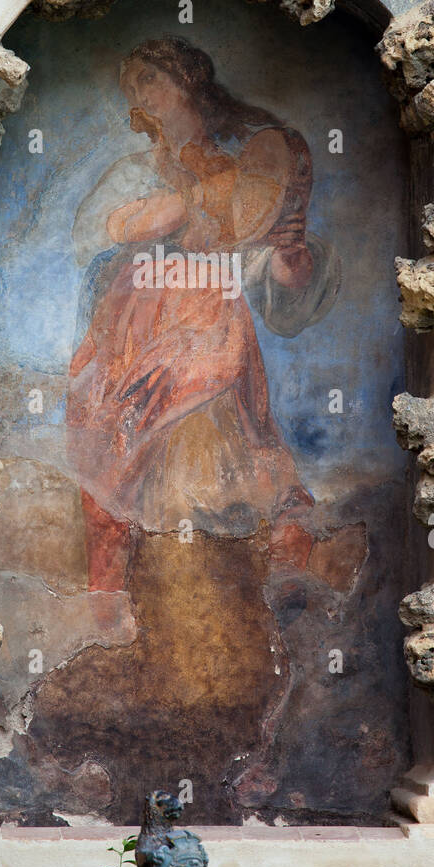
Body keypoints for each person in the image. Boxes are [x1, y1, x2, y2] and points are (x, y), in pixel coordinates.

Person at [67, 37, 339, 591]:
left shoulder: (244, 173)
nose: (140, 95)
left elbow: (276, 281)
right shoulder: (135, 171)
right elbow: (107, 233)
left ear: (188, 81)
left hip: (212, 331)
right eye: (132, 87)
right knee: (127, 448)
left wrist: (289, 252)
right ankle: (136, 591)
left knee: (209, 451)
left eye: (151, 79)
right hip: (132, 332)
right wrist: (202, 198)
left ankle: (217, 579)